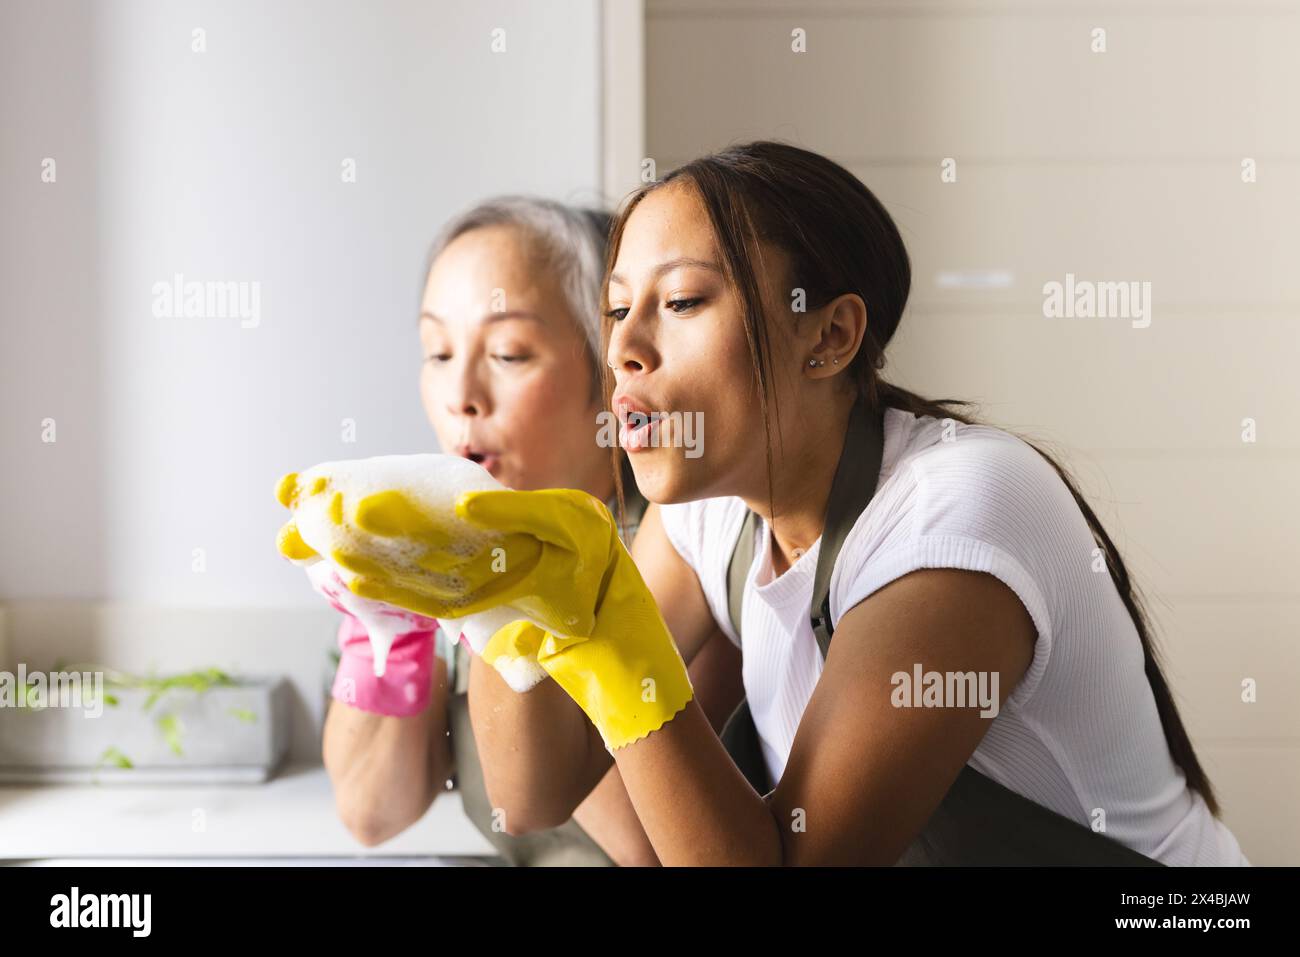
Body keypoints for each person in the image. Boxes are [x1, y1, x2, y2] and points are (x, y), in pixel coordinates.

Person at [345, 142, 1250, 865]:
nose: (625, 348)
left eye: (684, 300)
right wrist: (499, 603)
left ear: (830, 335)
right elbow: (533, 792)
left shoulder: (954, 513)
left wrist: (612, 642)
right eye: (618, 310)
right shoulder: (715, 511)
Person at [319, 195, 744, 865]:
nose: (461, 393)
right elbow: (374, 812)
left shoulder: (688, 537)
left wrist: (497, 597)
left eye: (510, 353)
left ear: (613, 372)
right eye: (437, 351)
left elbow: (649, 846)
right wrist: (394, 631)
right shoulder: (439, 548)